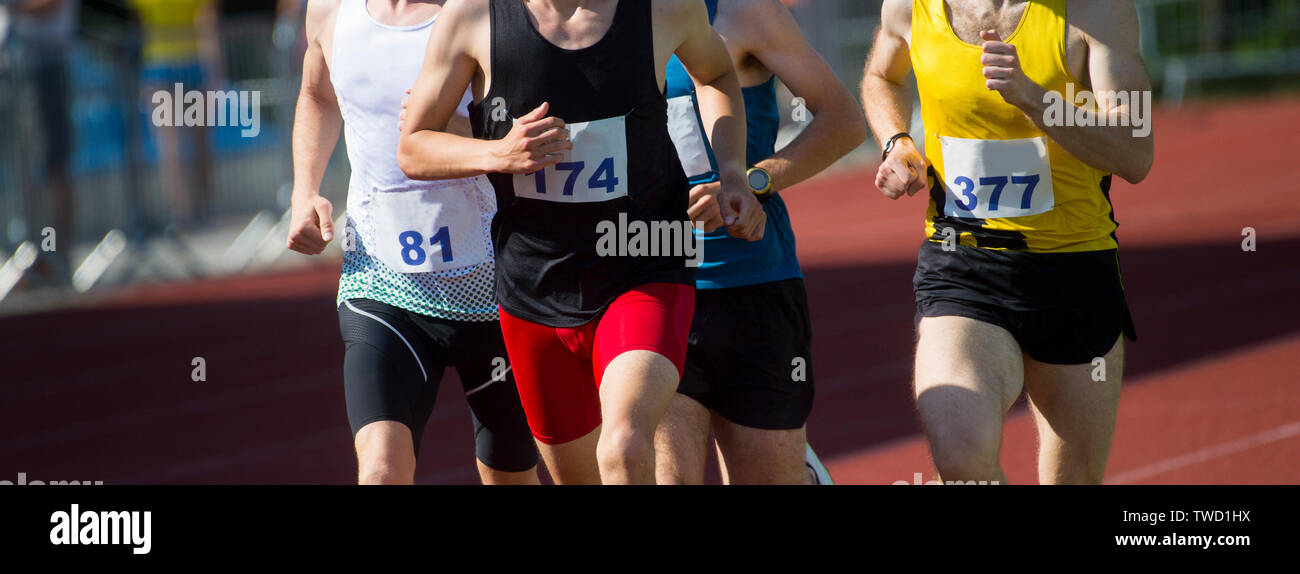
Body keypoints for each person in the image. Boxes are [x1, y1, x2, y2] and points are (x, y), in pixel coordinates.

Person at [399, 0, 766, 484]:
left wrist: (734, 171)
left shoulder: (663, 9)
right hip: (533, 289)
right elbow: (412, 145)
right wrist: (499, 153)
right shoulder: (474, 17)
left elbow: (716, 74)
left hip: (645, 258)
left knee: (623, 447)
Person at [861, 0, 1154, 484]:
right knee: (961, 459)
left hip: (1075, 269)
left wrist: (1034, 98)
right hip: (963, 266)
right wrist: (897, 141)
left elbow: (1135, 150)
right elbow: (880, 76)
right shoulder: (911, 8)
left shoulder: (1096, 13)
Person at [288, 0, 538, 485]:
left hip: (496, 283)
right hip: (383, 282)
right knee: (381, 470)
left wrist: (466, 131)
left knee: (509, 475)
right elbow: (317, 95)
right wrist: (305, 192)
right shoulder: (328, 12)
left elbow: (542, 122)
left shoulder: (490, 11)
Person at [654, 0, 865, 485]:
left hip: (752, 284)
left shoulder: (743, 13)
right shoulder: (606, 22)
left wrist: (753, 182)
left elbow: (843, 119)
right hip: (654, 286)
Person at [2, 0, 79, 284]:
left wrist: (15, 7)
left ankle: (54, 254)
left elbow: (52, 5)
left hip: (45, 69)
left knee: (50, 167)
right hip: (14, 68)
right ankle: (30, 256)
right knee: (24, 167)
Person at [129, 0, 219, 231]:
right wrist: (214, 71)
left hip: (161, 67)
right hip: (189, 64)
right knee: (196, 144)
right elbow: (207, 20)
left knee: (170, 147)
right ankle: (199, 207)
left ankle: (181, 212)